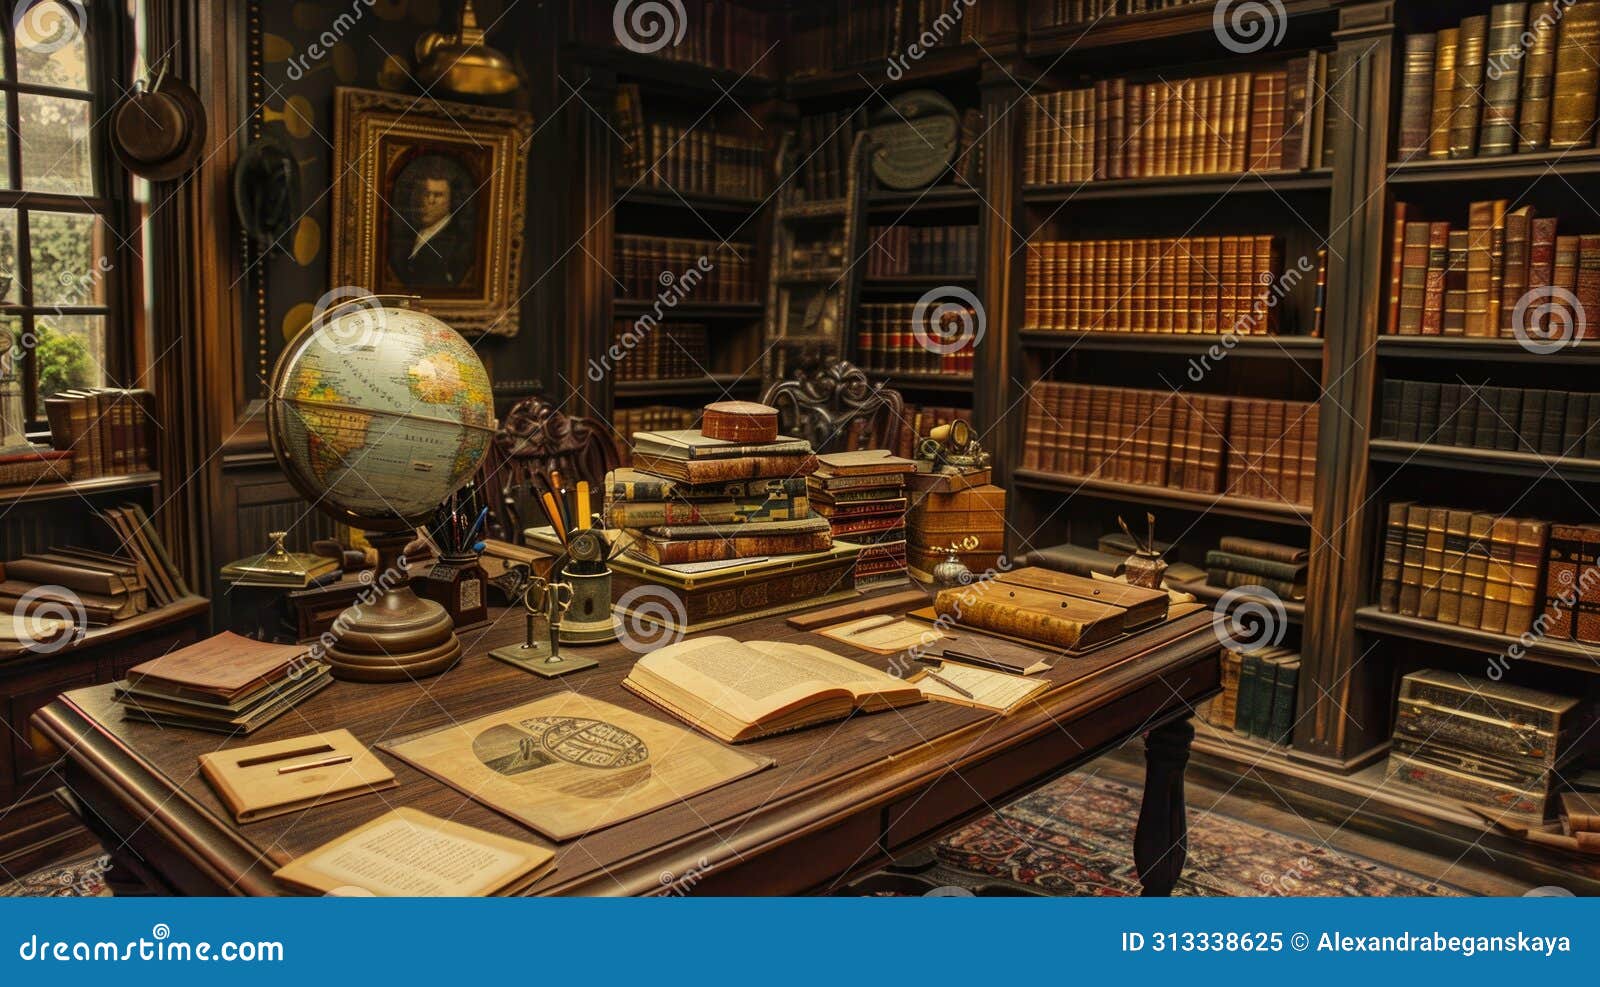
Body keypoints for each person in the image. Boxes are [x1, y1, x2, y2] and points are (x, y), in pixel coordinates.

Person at [387, 157, 473, 288]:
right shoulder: (413, 232)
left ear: (451, 200)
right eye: (424, 194)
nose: (428, 201)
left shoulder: (457, 243)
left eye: (438, 195)